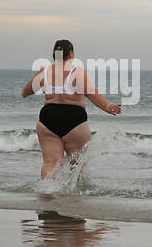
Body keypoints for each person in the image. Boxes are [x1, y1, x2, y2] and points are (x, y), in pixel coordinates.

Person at [20, 40, 121, 178]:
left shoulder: (45, 72)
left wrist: (31, 88)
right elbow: (91, 92)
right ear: (71, 53)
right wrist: (108, 107)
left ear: (55, 54)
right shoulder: (77, 72)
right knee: (77, 165)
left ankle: (47, 192)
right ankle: (74, 198)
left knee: (50, 162)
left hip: (48, 118)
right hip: (74, 120)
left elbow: (26, 91)